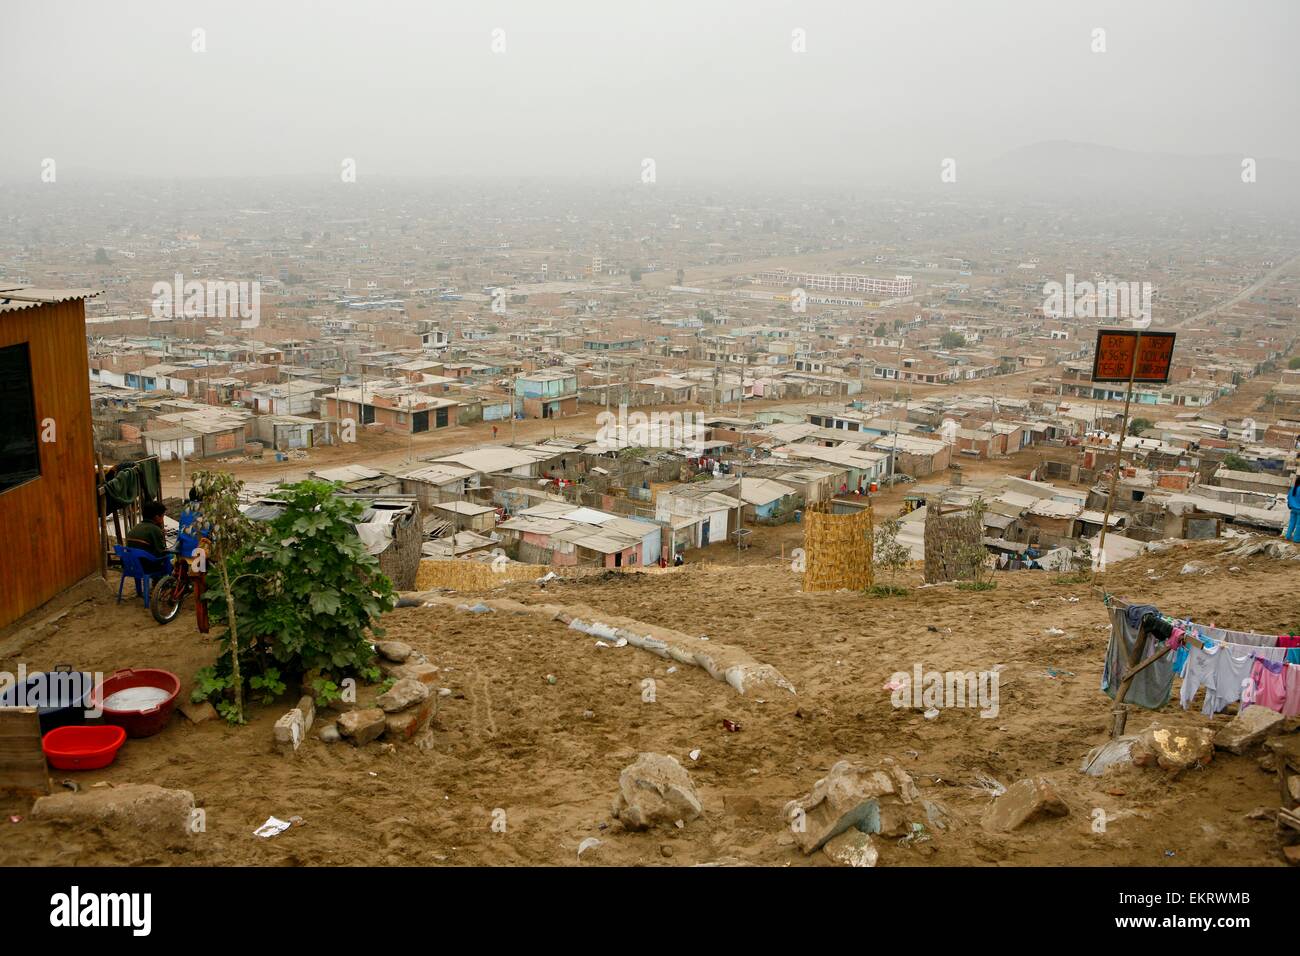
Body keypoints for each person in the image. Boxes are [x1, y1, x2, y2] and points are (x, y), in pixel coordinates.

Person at [125, 501, 170, 577]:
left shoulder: (136, 527)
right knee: (171, 557)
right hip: (147, 567)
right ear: (156, 517)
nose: (162, 520)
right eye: (162, 516)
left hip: (132, 566)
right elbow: (160, 552)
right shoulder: (155, 529)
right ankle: (164, 582)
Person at [1287, 473, 1300, 543]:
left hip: (1293, 509)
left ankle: (1288, 536)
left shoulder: (1292, 489)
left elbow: (1288, 498)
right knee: (1299, 525)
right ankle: (1296, 539)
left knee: (1291, 523)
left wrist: (1289, 505)